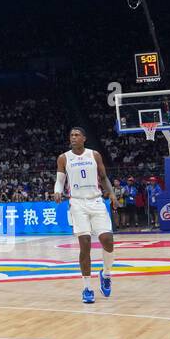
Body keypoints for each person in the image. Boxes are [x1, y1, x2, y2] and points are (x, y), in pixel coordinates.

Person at [55, 127, 120, 304]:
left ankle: (106, 273)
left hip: (96, 201)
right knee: (85, 244)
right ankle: (87, 288)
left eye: (77, 135)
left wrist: (112, 194)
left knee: (108, 240)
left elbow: (104, 177)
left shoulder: (95, 155)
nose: (73, 138)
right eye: (71, 135)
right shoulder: (63, 158)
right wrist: (57, 191)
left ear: (84, 138)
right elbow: (60, 180)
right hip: (77, 203)